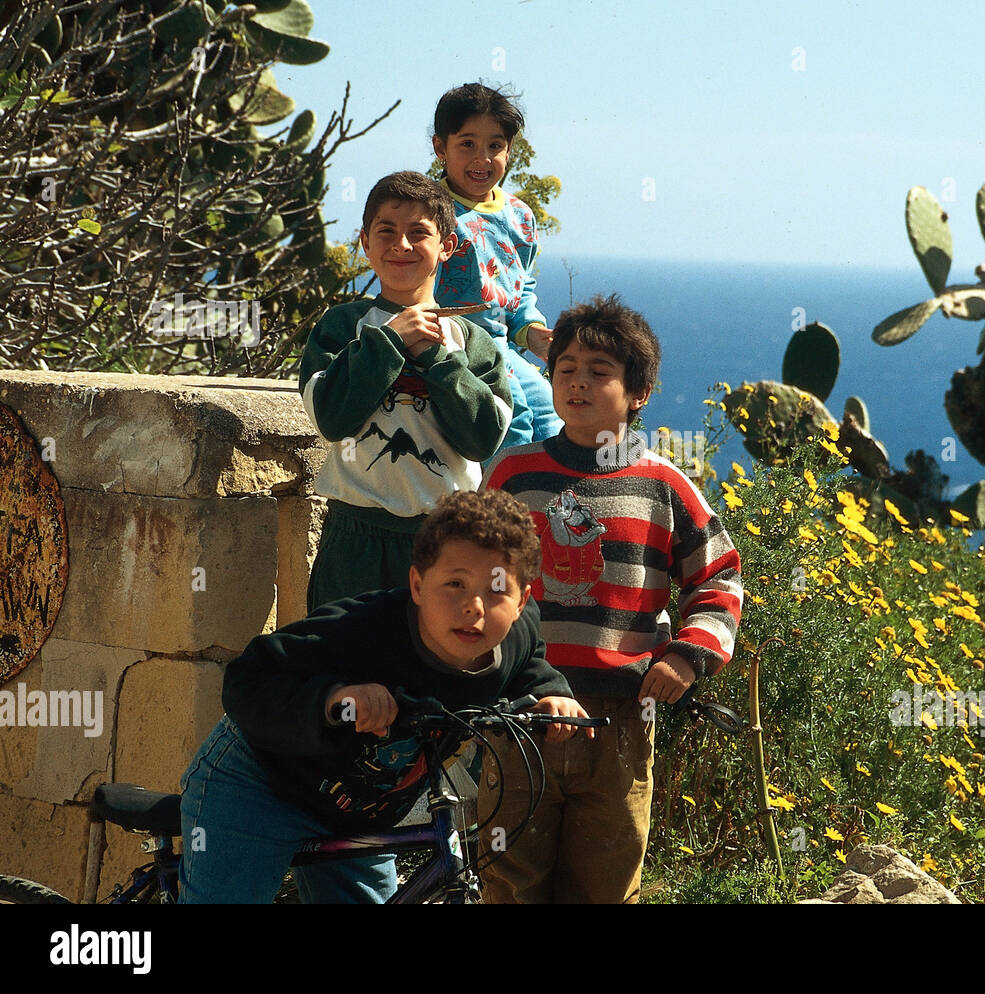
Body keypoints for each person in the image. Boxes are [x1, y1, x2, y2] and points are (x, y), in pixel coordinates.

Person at [179, 490, 593, 904]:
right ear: (416, 584)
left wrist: (551, 694)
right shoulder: (363, 628)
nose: (474, 606)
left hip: (354, 815)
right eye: (455, 584)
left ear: (522, 600)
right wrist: (334, 697)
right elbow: (248, 679)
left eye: (496, 590)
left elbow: (529, 667)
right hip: (259, 782)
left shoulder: (516, 637)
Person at [479, 294, 744, 903]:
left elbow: (719, 575)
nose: (578, 383)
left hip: (621, 717)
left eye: (599, 372)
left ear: (638, 392)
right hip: (521, 708)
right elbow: (469, 574)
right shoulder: (510, 475)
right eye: (566, 369)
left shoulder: (664, 484)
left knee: (606, 881)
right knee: (508, 879)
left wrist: (687, 655)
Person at [299, 171, 514, 612]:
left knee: (435, 666)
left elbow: (482, 439)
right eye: (387, 232)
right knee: (343, 661)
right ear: (365, 243)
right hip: (354, 534)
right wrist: (389, 342)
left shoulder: (473, 344)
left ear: (446, 247)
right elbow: (331, 418)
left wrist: (436, 358)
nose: (401, 245)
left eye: (419, 233)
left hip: (443, 539)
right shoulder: (341, 328)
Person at [431, 81, 562, 452]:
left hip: (502, 348)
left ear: (510, 150)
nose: (482, 158)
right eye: (467, 144)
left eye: (495, 146)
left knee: (550, 415)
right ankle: (499, 506)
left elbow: (520, 291)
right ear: (441, 147)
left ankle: (547, 506)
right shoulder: (429, 212)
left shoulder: (519, 216)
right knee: (512, 420)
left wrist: (534, 333)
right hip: (456, 348)